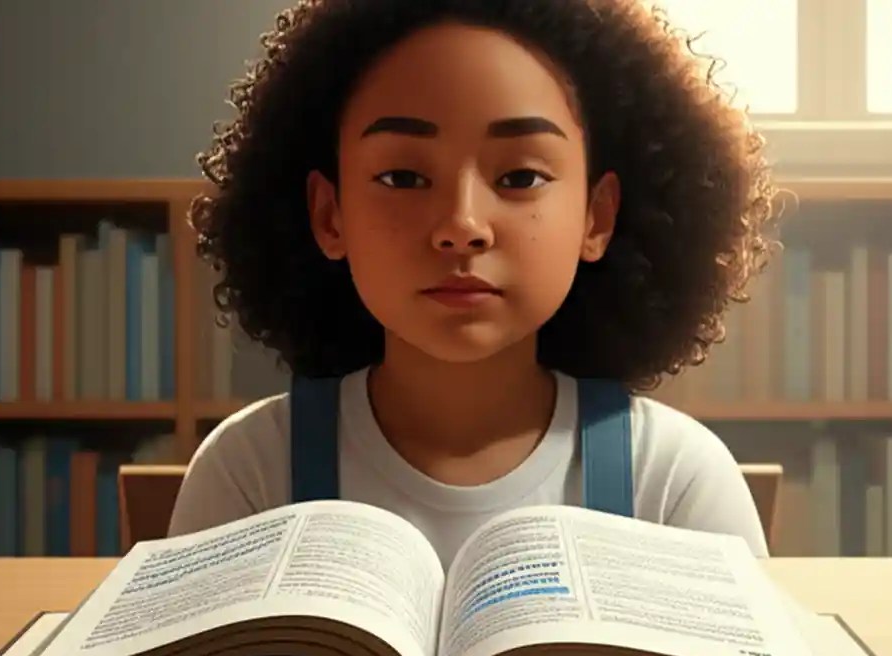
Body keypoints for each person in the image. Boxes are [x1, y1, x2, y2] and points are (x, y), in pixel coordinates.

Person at [168, 0, 779, 567]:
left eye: (520, 177)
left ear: (597, 218)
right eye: (404, 177)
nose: (461, 225)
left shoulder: (673, 480)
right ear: (330, 216)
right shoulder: (250, 473)